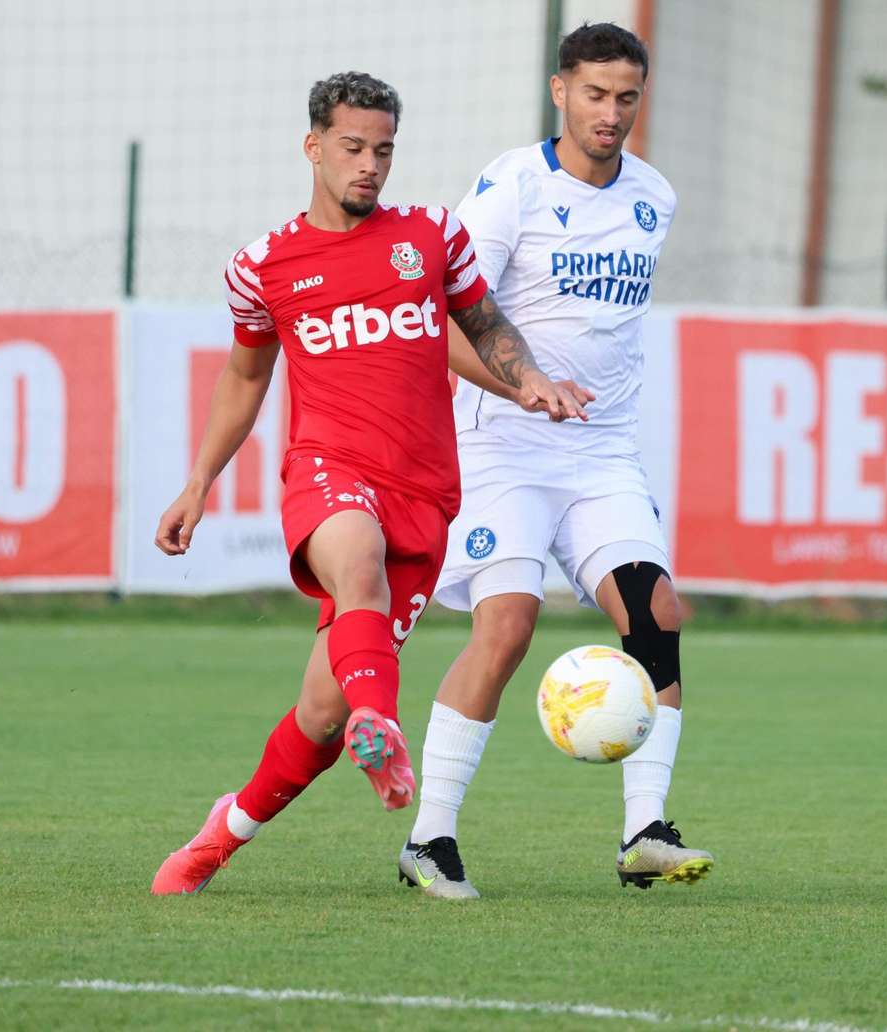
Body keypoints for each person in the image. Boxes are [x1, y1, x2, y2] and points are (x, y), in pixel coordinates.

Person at [150, 71, 586, 896]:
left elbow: (483, 326)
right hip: (329, 468)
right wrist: (199, 481)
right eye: (352, 148)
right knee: (356, 563)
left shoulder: (429, 237)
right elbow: (245, 377)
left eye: (383, 150)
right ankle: (378, 725)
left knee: (316, 712)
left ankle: (225, 830)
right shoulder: (264, 267)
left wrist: (527, 379)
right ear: (312, 147)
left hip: (425, 493)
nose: (369, 167)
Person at [398, 23, 712, 899]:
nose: (611, 113)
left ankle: (644, 831)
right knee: (507, 626)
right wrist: (524, 384)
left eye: (627, 98)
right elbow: (441, 321)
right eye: (595, 94)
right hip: (503, 446)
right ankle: (431, 839)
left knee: (657, 611)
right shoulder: (511, 189)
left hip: (602, 450)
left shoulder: (655, 197)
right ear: (559, 90)